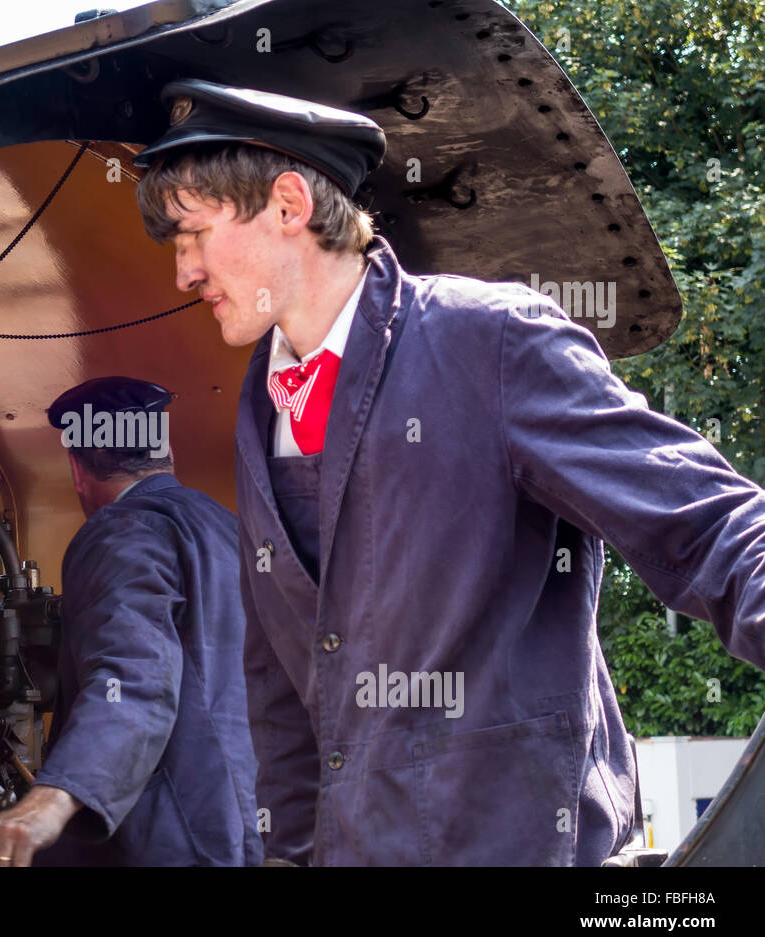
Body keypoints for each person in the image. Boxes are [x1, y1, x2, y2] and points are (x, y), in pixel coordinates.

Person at [131, 78, 765, 866]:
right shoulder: (261, 407)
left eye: (192, 234)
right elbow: (281, 685)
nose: (183, 273)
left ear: (289, 204)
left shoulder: (491, 341)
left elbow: (708, 525)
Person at [0, 376, 262, 866]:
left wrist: (52, 799)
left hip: (164, 842)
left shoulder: (121, 532)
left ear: (77, 469)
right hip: (243, 825)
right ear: (165, 455)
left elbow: (135, 677)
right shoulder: (226, 528)